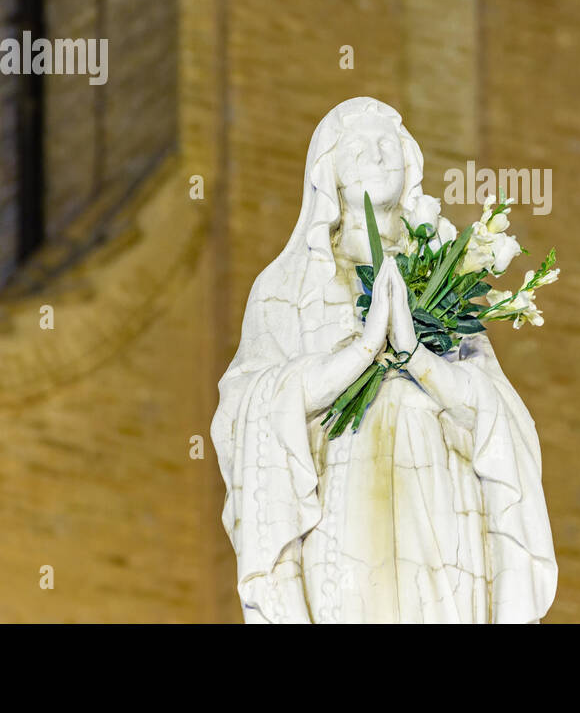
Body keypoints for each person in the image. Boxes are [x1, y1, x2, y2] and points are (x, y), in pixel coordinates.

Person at [211, 97, 557, 623]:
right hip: (343, 507)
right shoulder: (289, 285)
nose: (374, 156)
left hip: (442, 503)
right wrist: (363, 352)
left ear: (410, 162)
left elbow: (495, 411)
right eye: (356, 147)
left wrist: (416, 357)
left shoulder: (447, 271)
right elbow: (247, 410)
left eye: (385, 145)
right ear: (328, 171)